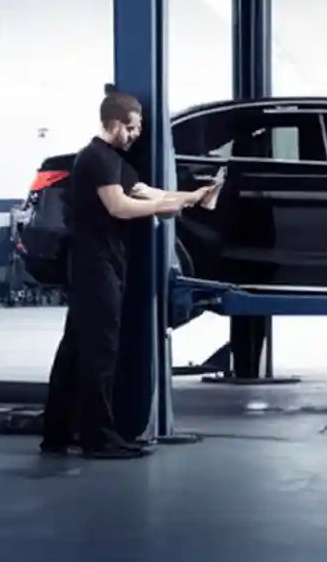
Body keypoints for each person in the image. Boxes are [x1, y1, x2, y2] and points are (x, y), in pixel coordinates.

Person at [40, 90, 217, 459]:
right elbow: (120, 207)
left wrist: (191, 196)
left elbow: (146, 192)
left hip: (106, 264)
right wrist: (166, 206)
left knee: (75, 350)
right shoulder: (96, 158)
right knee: (99, 354)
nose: (136, 134)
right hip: (94, 266)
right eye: (133, 128)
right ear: (114, 122)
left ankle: (58, 434)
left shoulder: (116, 161)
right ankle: (98, 439)